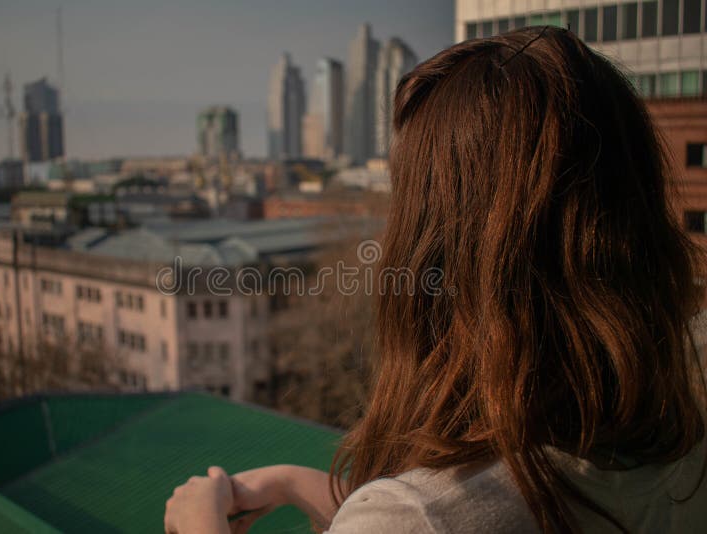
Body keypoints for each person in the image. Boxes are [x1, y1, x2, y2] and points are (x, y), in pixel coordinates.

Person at [164, 26, 707, 533]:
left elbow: (438, 514)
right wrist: (289, 481)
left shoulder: (418, 515)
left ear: (436, 245)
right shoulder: (679, 404)